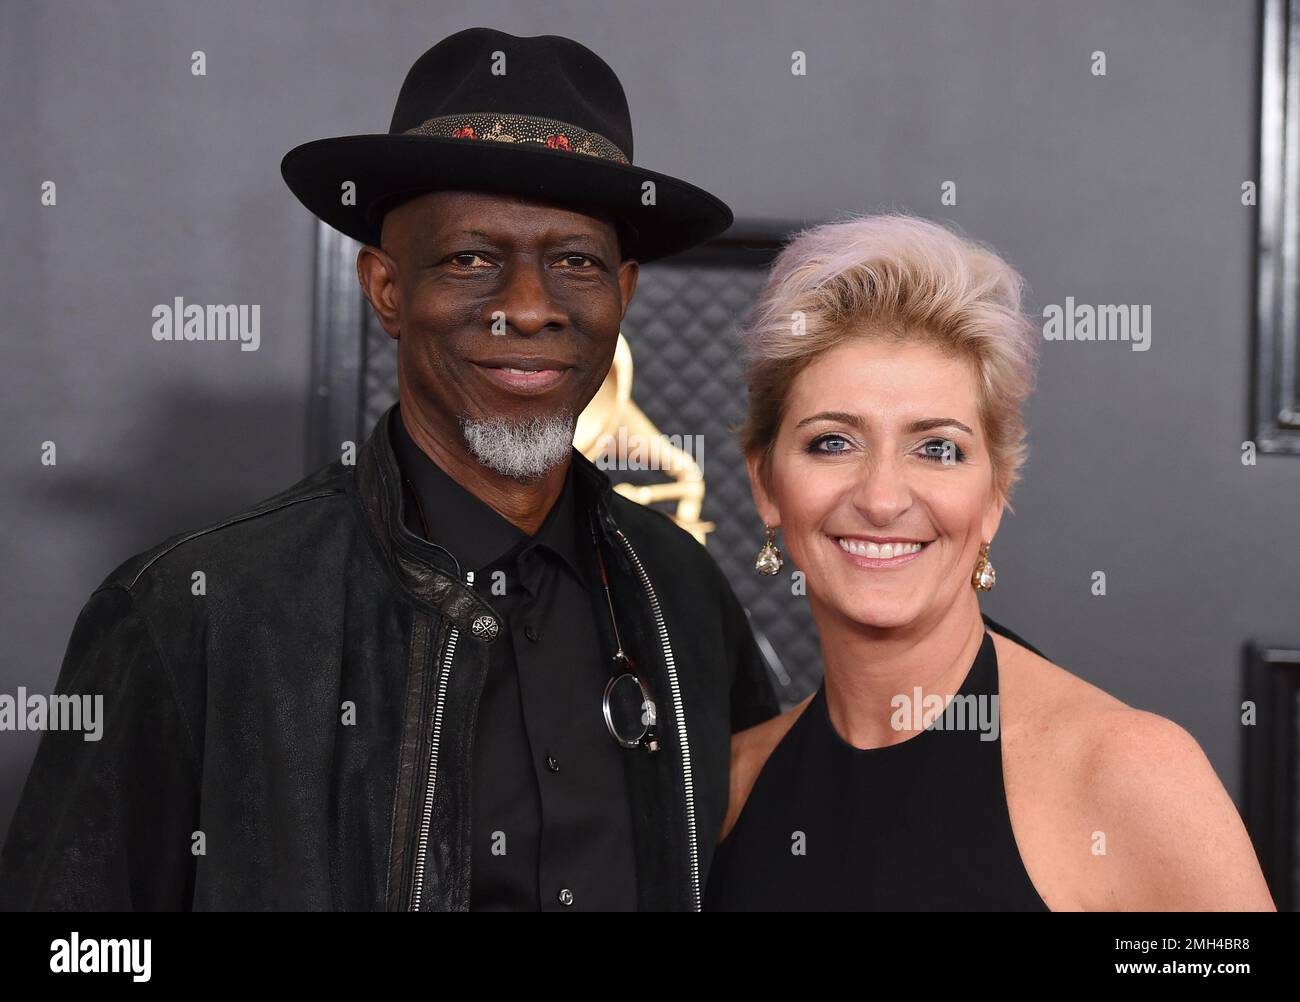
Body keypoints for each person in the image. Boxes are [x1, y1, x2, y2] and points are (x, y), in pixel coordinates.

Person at [0, 27, 779, 911]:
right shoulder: (195, 613)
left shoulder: (679, 593)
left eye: (575, 263)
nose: (528, 308)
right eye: (471, 259)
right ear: (386, 290)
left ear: (623, 294)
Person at [703, 212, 1275, 911]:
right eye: (832, 442)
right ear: (765, 483)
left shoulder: (1129, 774)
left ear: (996, 492)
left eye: (938, 448)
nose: (882, 499)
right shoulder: (732, 787)